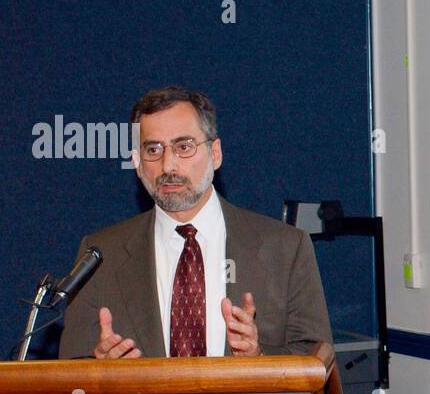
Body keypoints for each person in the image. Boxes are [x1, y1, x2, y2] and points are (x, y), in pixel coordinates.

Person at [58, 86, 331, 359]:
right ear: (137, 163)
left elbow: (317, 366)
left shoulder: (285, 248)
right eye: (153, 149)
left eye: (183, 147)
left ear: (215, 153)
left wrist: (258, 357)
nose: (168, 166)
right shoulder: (99, 255)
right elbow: (70, 375)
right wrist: (99, 372)